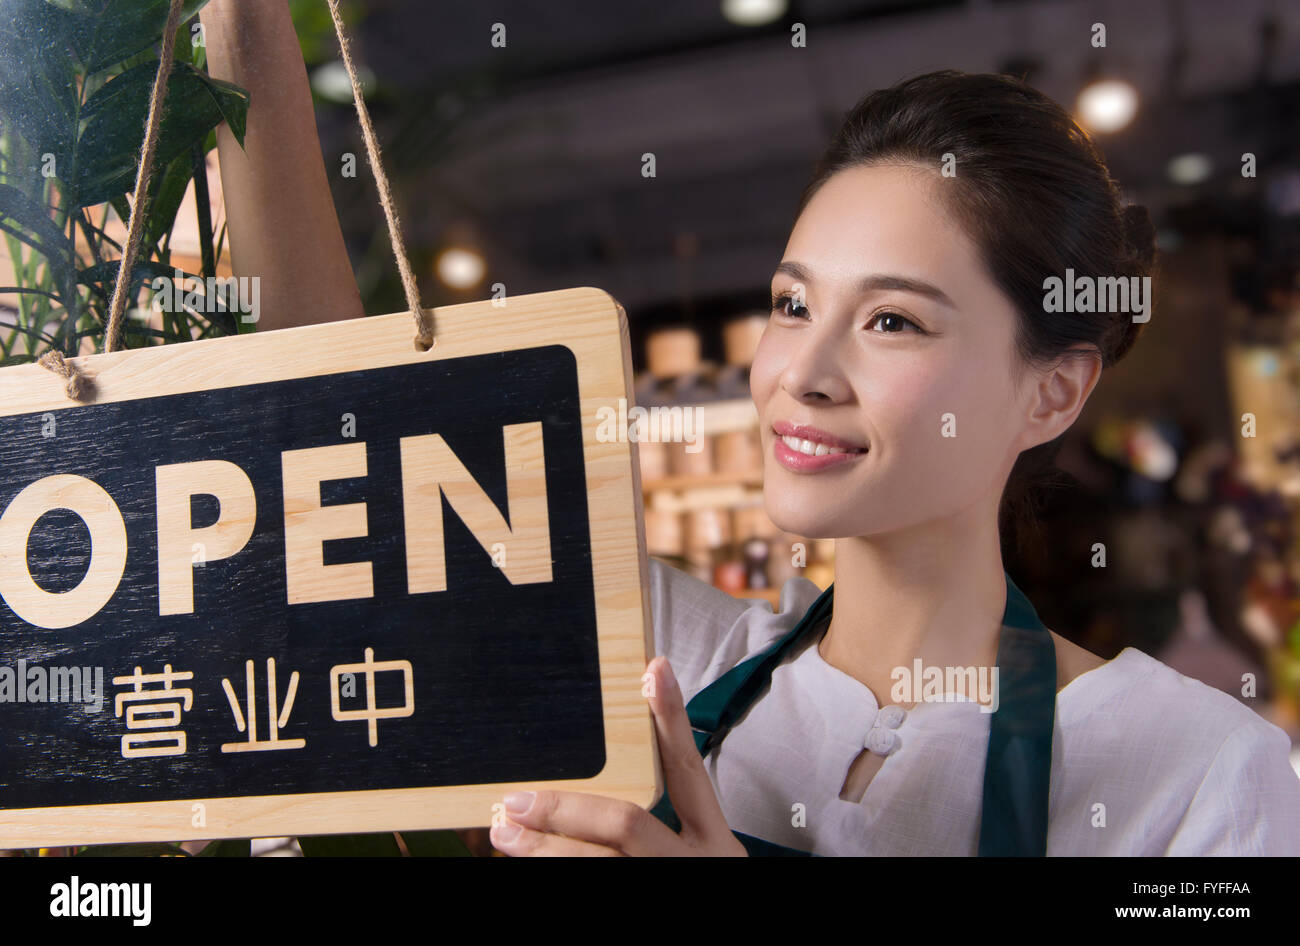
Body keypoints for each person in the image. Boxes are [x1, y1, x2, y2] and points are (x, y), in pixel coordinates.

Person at [200, 2, 1300, 855]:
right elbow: (334, 442)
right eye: (789, 303)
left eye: (891, 319)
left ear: (1051, 392)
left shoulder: (1199, 773)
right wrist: (242, 26)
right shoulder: (659, 657)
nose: (801, 374)